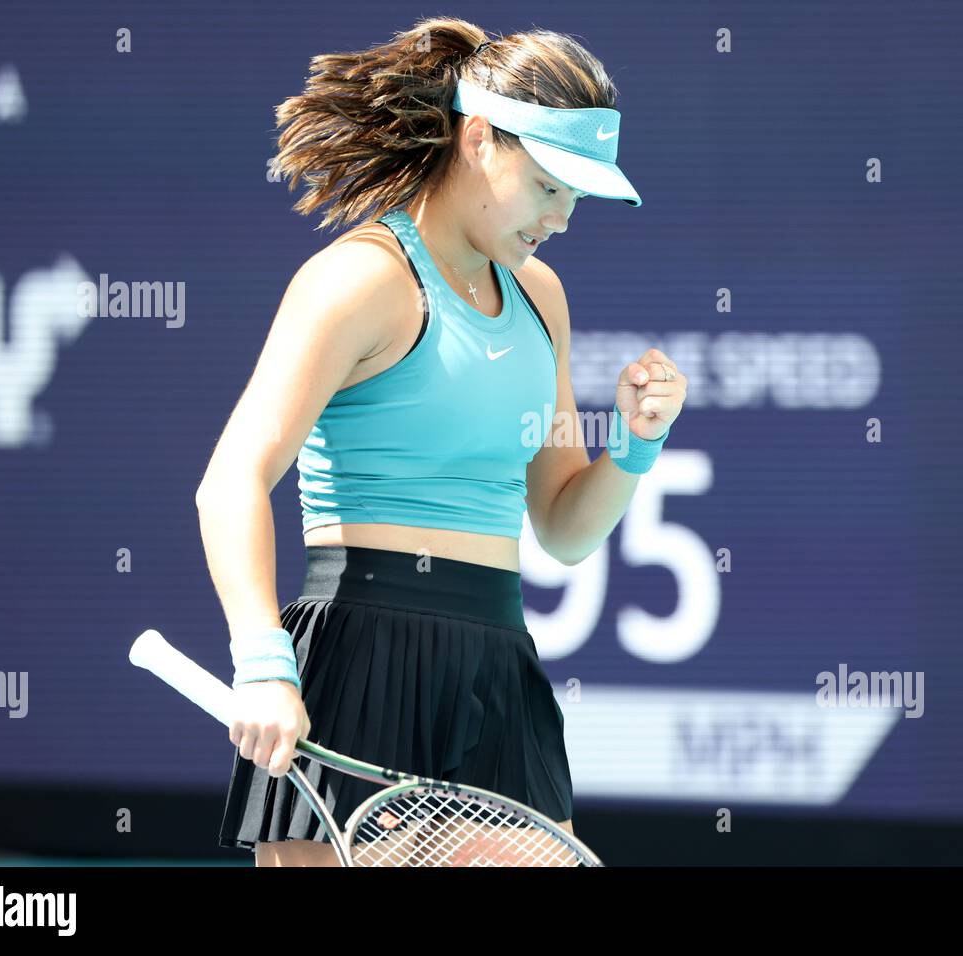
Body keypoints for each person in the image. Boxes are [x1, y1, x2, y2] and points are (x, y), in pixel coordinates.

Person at [194, 18, 687, 867]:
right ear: (478, 138)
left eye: (575, 195)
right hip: (355, 658)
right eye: (547, 185)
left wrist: (637, 446)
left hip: (499, 670)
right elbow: (232, 479)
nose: (562, 217)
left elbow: (565, 528)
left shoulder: (544, 299)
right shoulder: (357, 281)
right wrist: (263, 660)